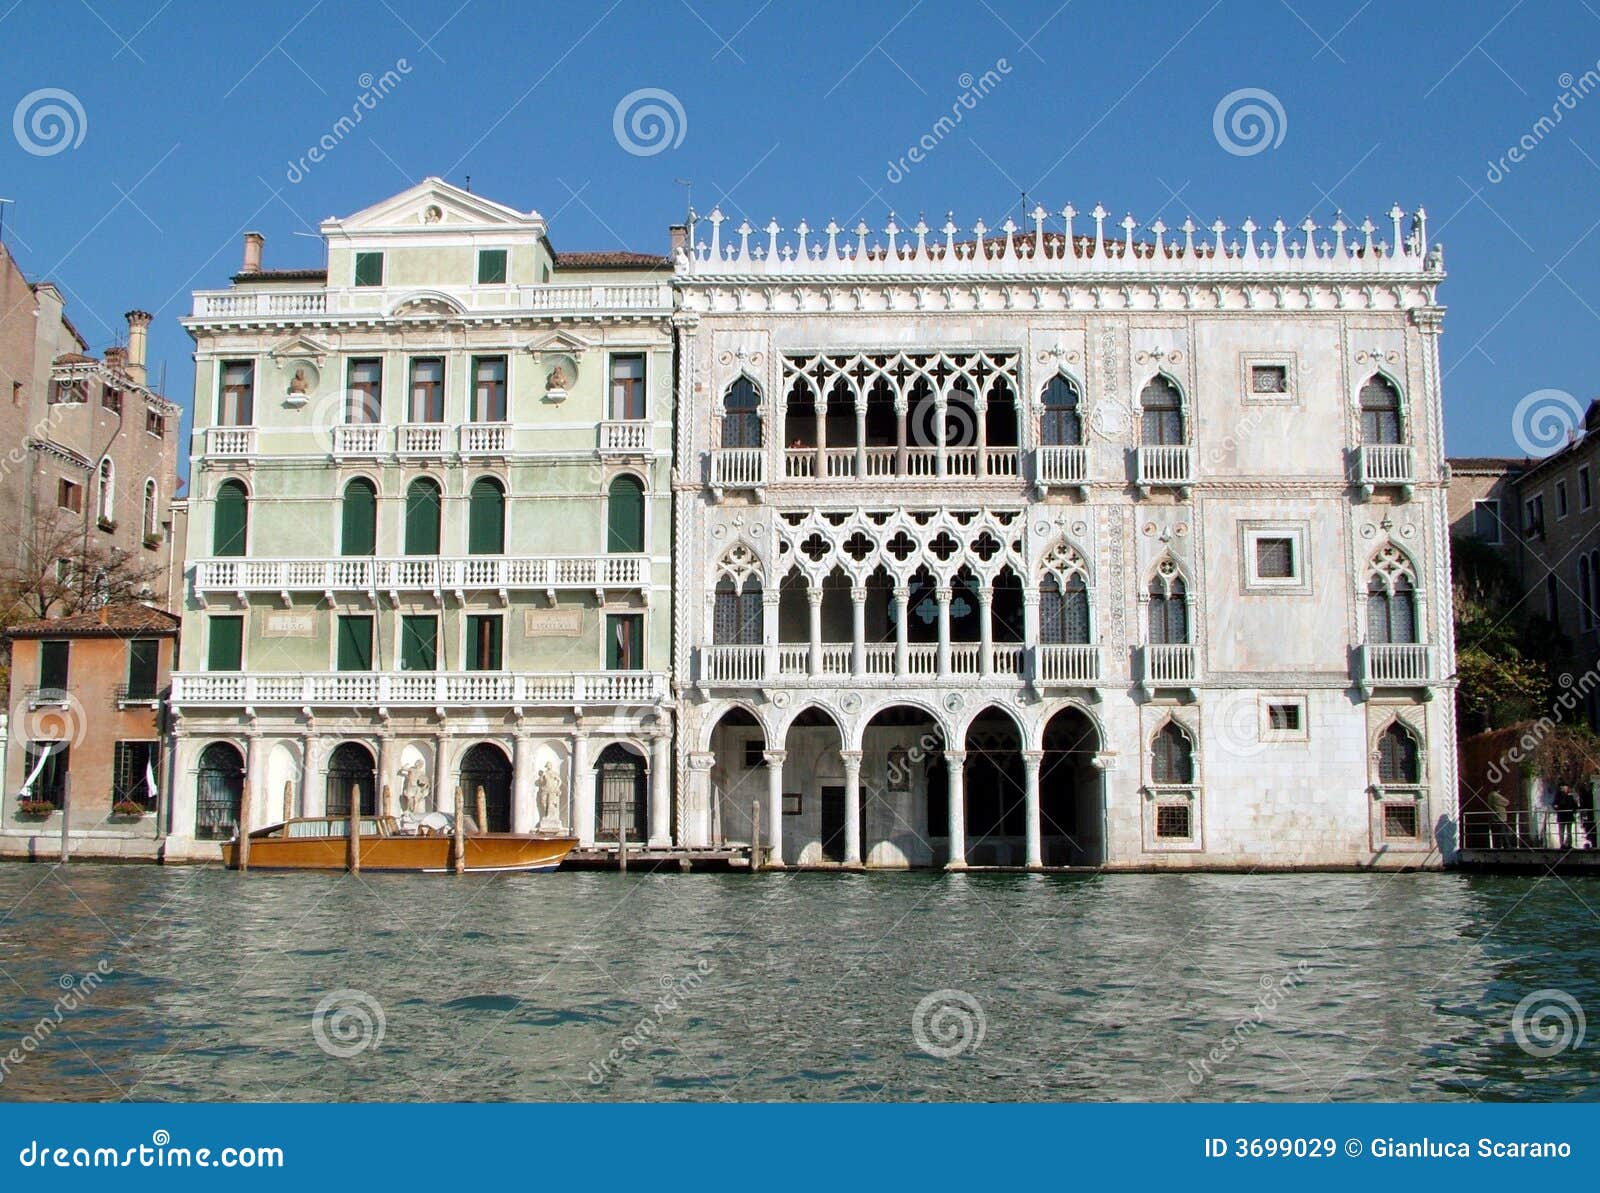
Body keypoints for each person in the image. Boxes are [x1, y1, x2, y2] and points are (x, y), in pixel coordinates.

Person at [1553, 782, 1580, 850]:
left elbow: (1575, 805)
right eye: (1564, 787)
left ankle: (1569, 844)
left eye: (1566, 787)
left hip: (1568, 816)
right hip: (1562, 816)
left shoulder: (1570, 795)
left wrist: (1574, 809)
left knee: (1569, 832)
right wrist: (1556, 807)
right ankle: (1562, 844)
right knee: (1561, 831)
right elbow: (1555, 804)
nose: (1566, 788)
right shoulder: (1558, 795)